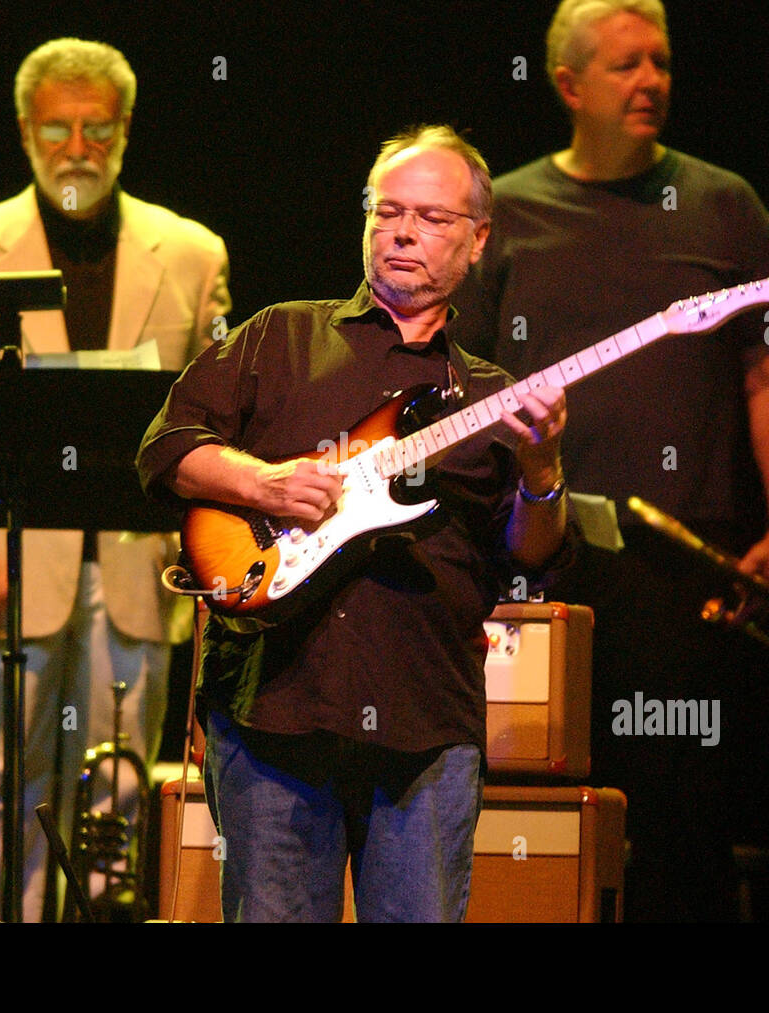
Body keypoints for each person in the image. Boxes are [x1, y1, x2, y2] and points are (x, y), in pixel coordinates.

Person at [137, 126, 576, 922]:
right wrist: (263, 482)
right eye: (387, 211)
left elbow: (530, 562)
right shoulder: (282, 334)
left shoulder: (492, 394)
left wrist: (544, 472)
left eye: (432, 218)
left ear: (478, 241)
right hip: (272, 713)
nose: (403, 231)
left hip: (426, 725)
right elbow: (167, 448)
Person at [449, 0, 769, 920]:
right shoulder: (511, 210)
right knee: (525, 783)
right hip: (539, 548)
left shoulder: (724, 204)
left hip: (681, 554)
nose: (651, 81)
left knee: (680, 793)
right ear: (568, 85)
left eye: (662, 61)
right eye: (626, 66)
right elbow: (463, 386)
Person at [0, 37, 230, 921]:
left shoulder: (193, 253)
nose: (77, 147)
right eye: (58, 128)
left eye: (96, 128)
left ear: (125, 130)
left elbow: (211, 424)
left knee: (116, 797)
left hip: (137, 562)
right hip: (5, 564)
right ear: (25, 131)